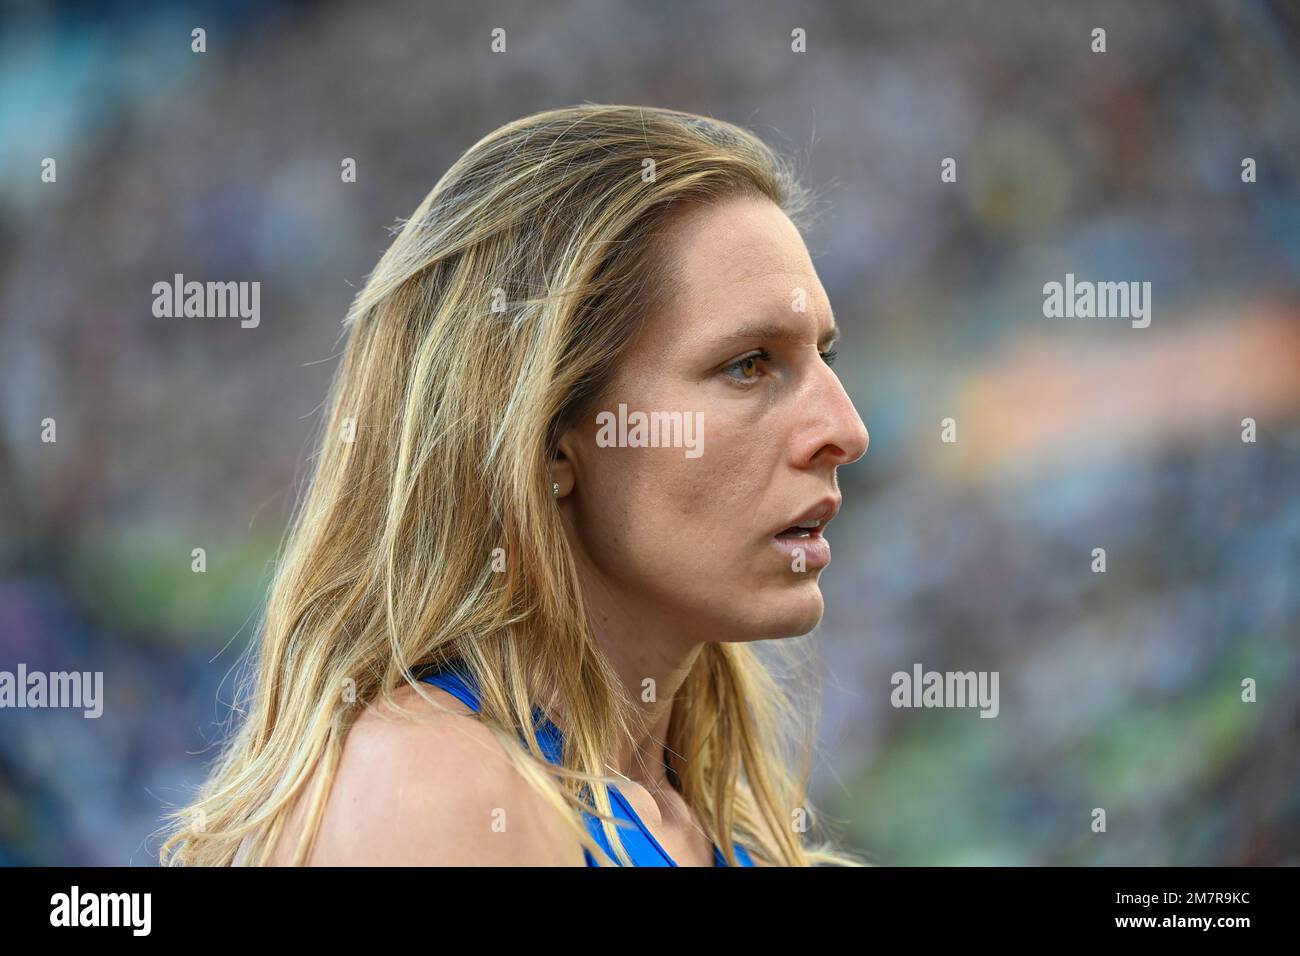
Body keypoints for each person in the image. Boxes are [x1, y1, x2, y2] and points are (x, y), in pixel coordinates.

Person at [159, 104, 870, 866]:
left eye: (824, 356)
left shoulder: (716, 829)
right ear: (551, 437)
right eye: (749, 364)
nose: (846, 430)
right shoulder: (438, 789)